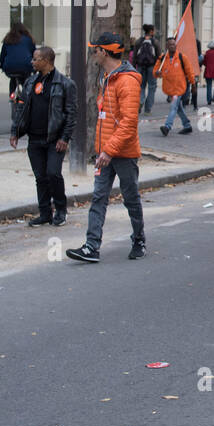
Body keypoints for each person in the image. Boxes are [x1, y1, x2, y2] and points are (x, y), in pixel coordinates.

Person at [66, 33, 145, 261]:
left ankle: (139, 239)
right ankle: (92, 246)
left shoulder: (127, 81)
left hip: (123, 153)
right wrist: (103, 150)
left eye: (95, 50)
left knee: (130, 198)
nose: (93, 54)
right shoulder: (106, 77)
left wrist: (109, 150)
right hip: (106, 152)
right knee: (98, 197)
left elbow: (129, 123)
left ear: (104, 51)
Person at [10, 45, 76, 226]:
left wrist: (65, 137)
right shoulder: (31, 82)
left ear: (46, 61)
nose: (32, 62)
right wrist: (15, 132)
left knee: (53, 173)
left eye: (35, 59)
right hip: (35, 138)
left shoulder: (65, 84)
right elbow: (22, 108)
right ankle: (45, 213)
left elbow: (71, 114)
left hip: (55, 139)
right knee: (40, 177)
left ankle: (61, 210)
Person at [155, 37, 197, 136]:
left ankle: (167, 127)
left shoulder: (182, 57)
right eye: (170, 45)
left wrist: (193, 85)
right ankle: (187, 126)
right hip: (169, 88)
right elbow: (156, 72)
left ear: (176, 45)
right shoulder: (162, 58)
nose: (172, 46)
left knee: (173, 107)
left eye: (173, 44)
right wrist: (157, 73)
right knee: (178, 108)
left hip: (179, 88)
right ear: (166, 46)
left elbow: (190, 72)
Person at [0, 22, 36, 98]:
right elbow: (34, 54)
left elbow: (2, 55)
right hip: (26, 67)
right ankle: (27, 97)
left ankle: (11, 96)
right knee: (26, 80)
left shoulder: (8, 39)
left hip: (10, 67)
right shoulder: (28, 39)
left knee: (13, 80)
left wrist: (2, 65)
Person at [133, 25, 159, 114]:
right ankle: (148, 109)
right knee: (152, 87)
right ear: (151, 31)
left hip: (140, 67)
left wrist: (134, 67)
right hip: (151, 67)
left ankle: (140, 101)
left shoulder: (138, 41)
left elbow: (134, 56)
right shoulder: (155, 42)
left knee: (141, 86)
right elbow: (159, 57)